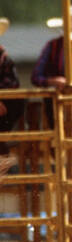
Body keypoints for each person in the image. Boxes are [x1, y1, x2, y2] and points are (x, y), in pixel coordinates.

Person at [0, 17, 26, 174]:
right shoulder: (4, 58)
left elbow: (12, 84)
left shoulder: (4, 59)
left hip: (4, 109)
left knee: (16, 100)